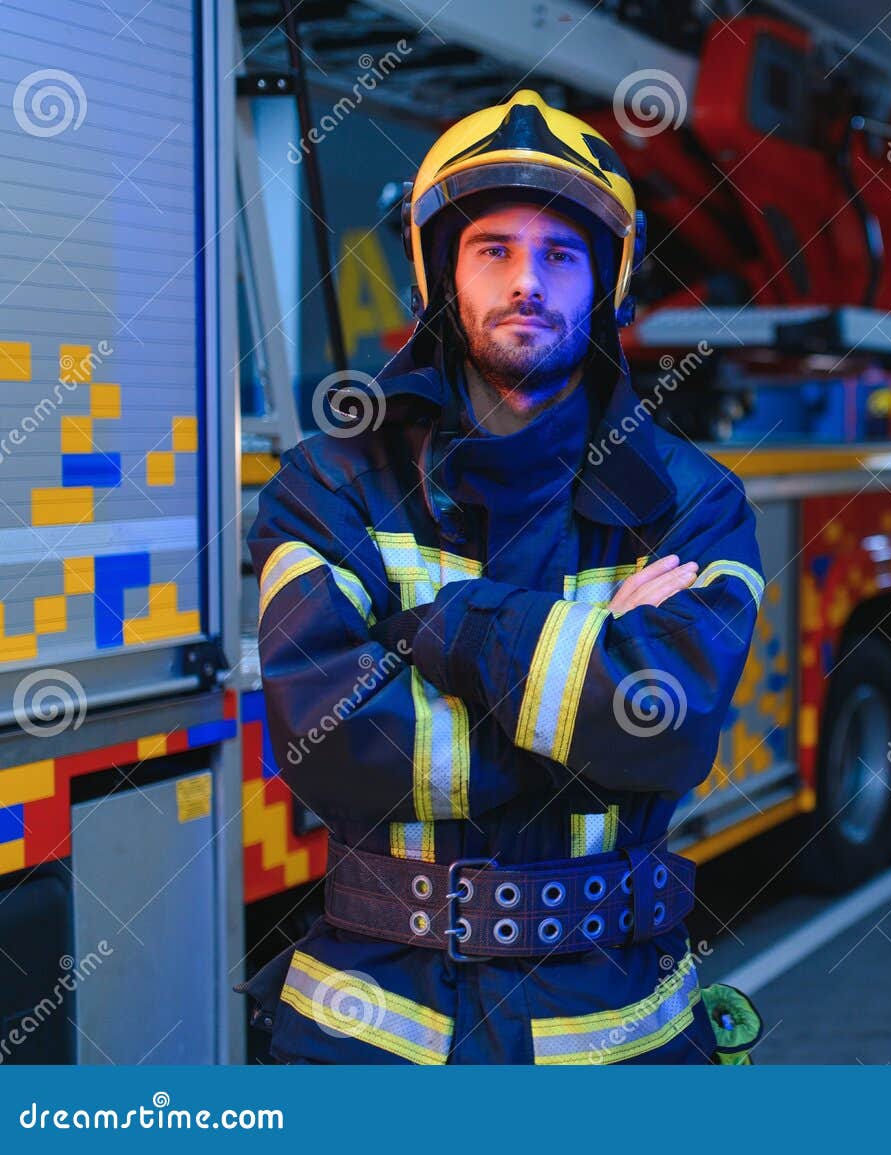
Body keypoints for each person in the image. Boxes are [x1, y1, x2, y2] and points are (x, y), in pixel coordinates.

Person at [238, 90, 764, 1066]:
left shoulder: (693, 502)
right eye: (494, 250)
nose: (528, 281)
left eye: (561, 255)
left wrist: (449, 628)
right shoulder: (331, 479)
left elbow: (667, 725)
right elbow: (331, 744)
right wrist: (584, 684)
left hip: (614, 1030)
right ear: (441, 274)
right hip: (368, 1032)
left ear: (606, 281)